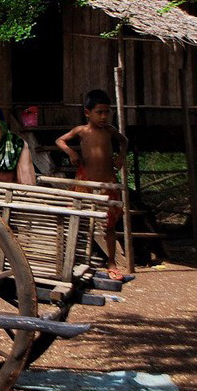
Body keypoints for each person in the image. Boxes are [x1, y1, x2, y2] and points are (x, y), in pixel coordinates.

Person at [55, 89, 128, 281]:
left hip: (108, 183)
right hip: (86, 181)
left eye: (107, 112)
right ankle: (74, 259)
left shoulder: (110, 131)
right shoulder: (82, 131)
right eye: (99, 112)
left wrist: (120, 157)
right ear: (88, 113)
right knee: (78, 221)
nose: (104, 116)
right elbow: (60, 140)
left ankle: (111, 262)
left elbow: (124, 141)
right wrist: (71, 153)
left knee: (109, 226)